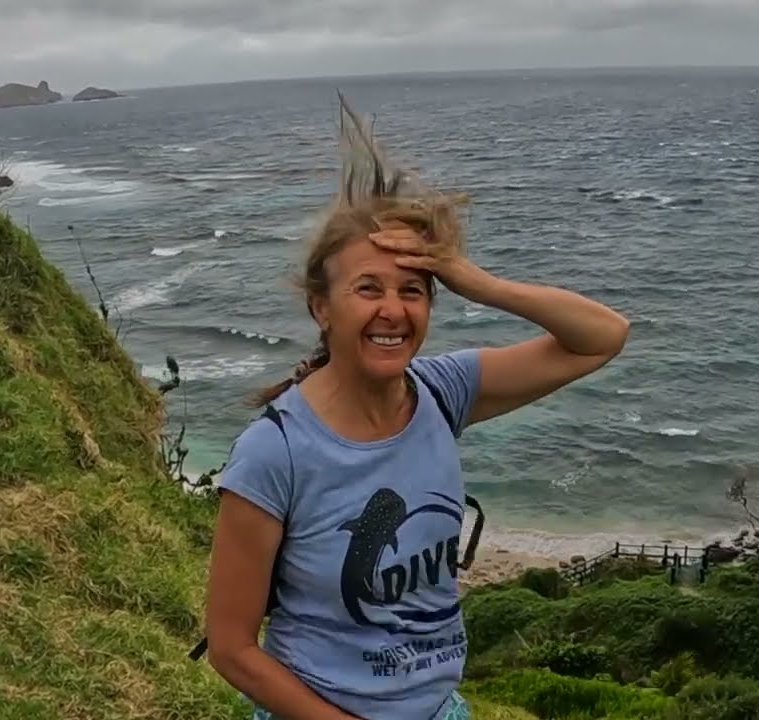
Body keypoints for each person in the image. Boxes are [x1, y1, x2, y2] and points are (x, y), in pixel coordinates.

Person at [202, 95, 631, 720]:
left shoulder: (441, 391)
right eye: (367, 288)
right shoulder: (276, 450)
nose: (393, 310)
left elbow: (602, 337)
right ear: (322, 308)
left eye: (413, 290)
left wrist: (476, 280)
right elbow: (231, 647)